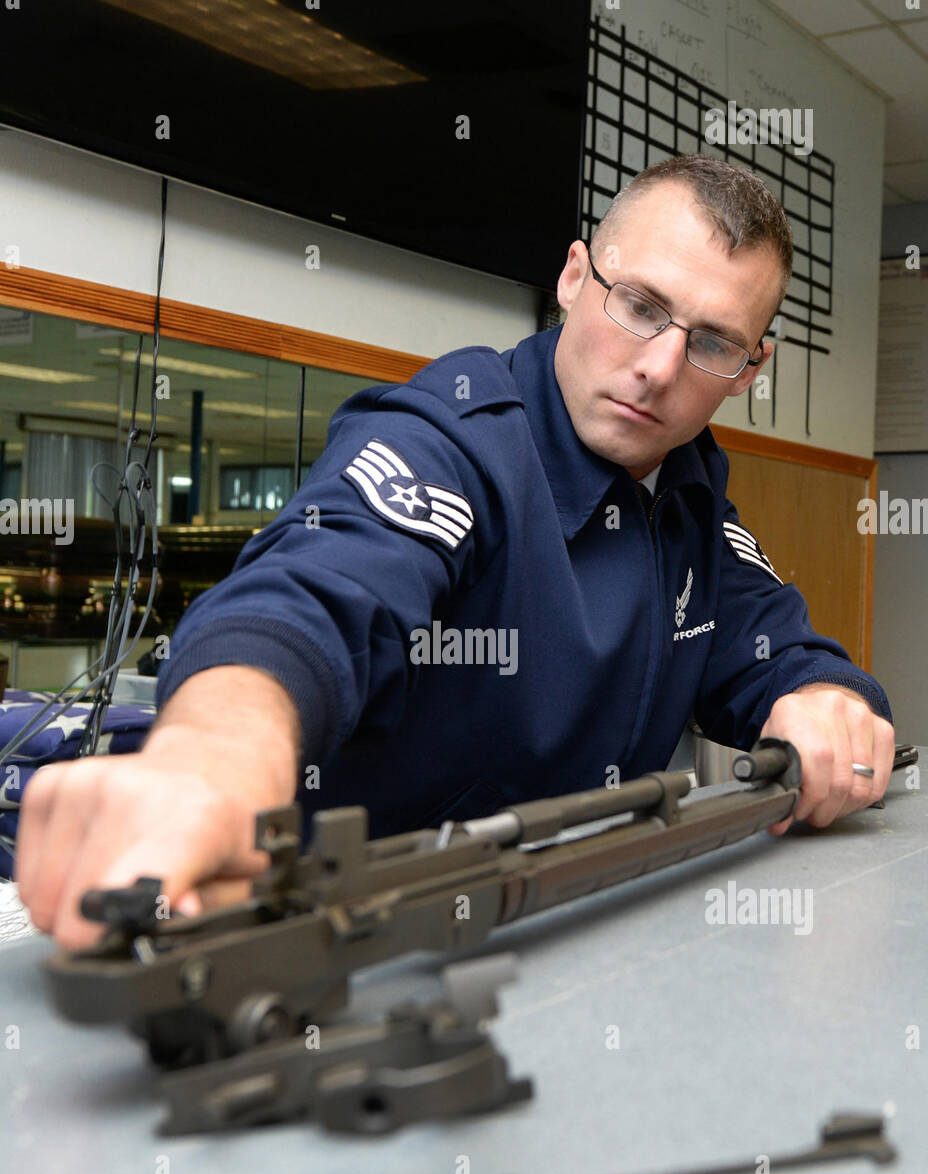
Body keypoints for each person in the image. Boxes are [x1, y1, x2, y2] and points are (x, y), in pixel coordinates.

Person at [17, 155, 895, 948]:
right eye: (639, 307)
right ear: (575, 276)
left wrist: (824, 698)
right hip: (348, 949)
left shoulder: (690, 494)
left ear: (750, 368)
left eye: (711, 343)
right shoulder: (455, 441)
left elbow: (775, 648)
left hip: (566, 938)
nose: (660, 369)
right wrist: (209, 764)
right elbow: (306, 601)